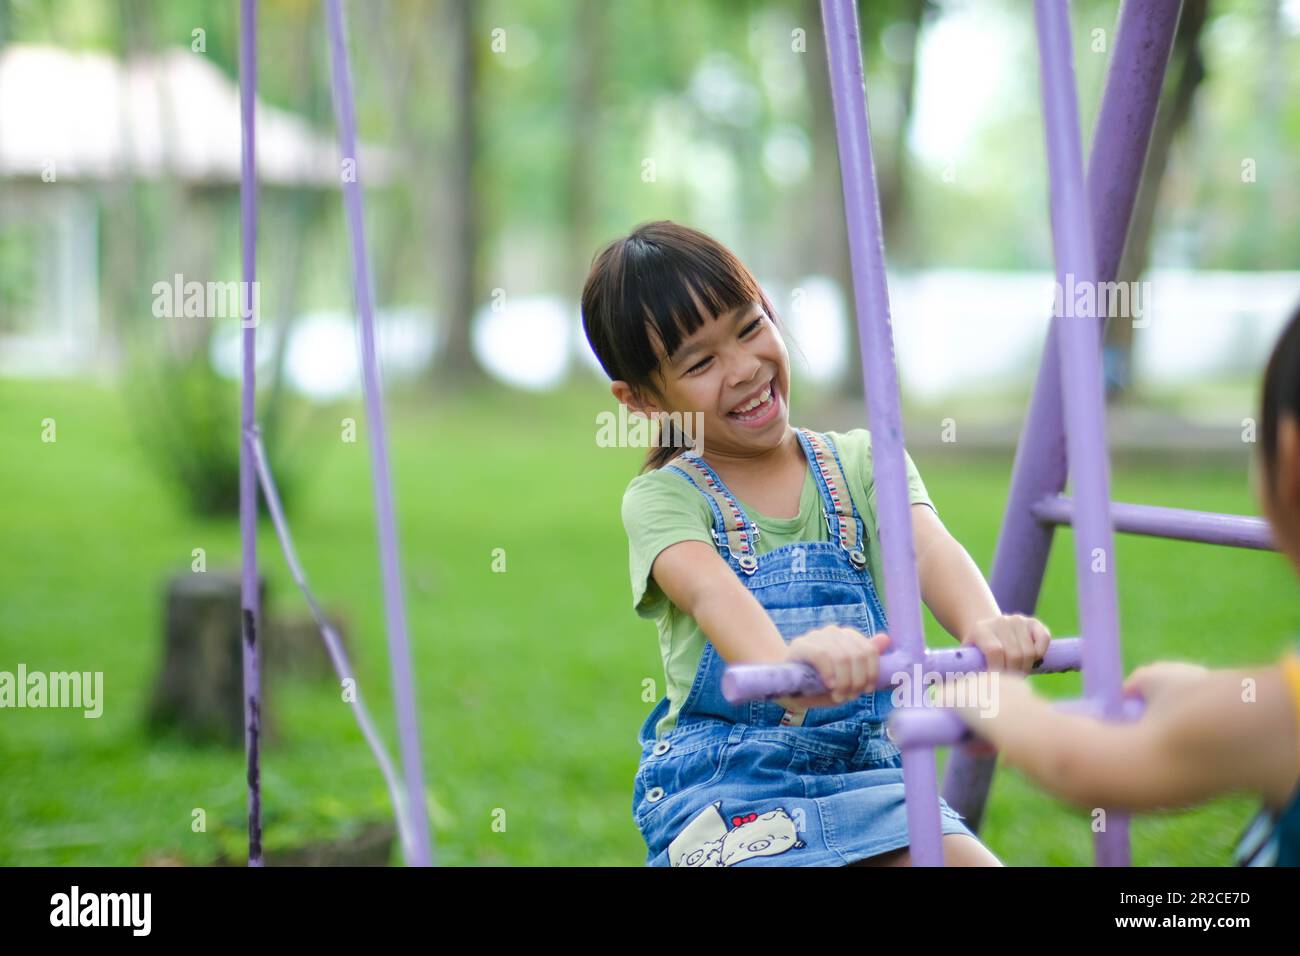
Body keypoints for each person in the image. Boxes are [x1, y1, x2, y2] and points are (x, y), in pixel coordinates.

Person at [581, 220, 1051, 866]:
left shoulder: (861, 461)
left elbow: (926, 548)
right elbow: (713, 594)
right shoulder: (666, 500)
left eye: (750, 327)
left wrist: (987, 624)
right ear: (638, 400)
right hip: (729, 787)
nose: (745, 368)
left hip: (869, 772)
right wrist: (788, 666)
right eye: (700, 362)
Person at [942, 300, 1300, 867]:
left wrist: (998, 703)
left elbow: (1081, 765)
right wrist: (1197, 691)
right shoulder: (1272, 707)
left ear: (1289, 462)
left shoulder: (1282, 716)